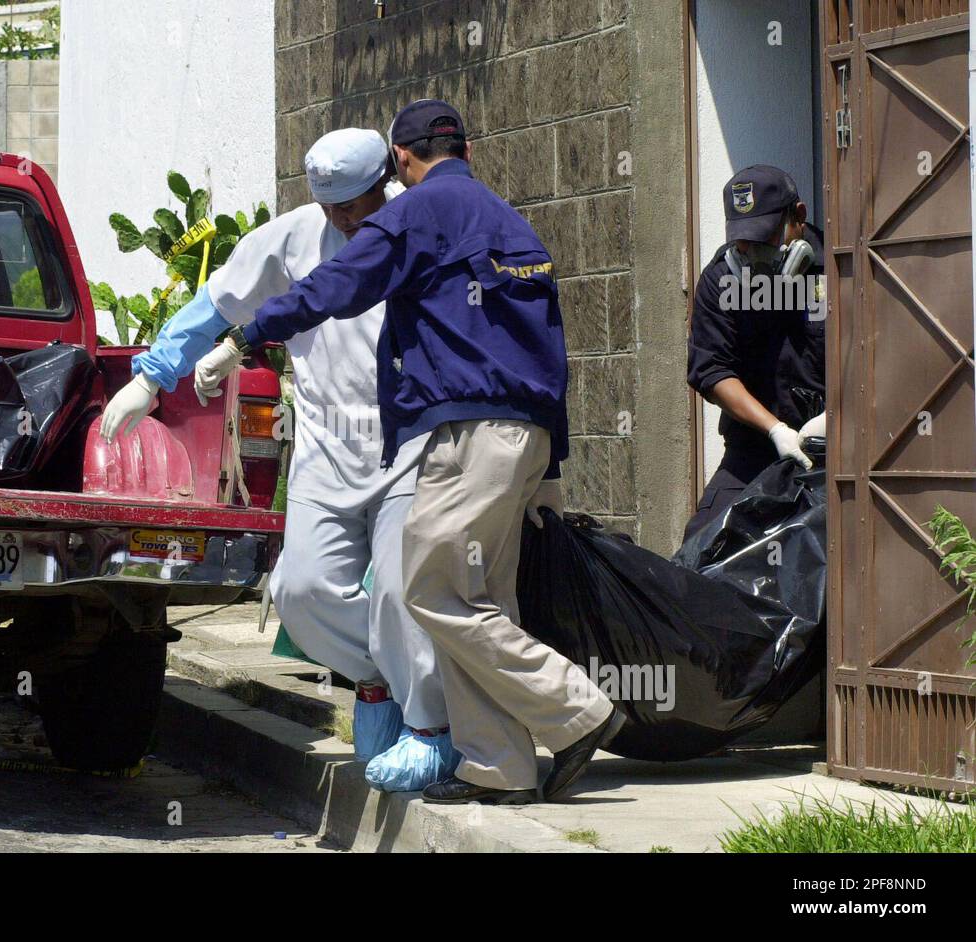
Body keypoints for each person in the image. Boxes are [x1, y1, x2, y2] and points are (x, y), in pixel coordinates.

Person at [194, 100, 622, 805]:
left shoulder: (420, 210)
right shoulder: (511, 222)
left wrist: (245, 337)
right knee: (482, 599)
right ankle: (500, 765)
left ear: (399, 161)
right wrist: (552, 466)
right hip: (524, 435)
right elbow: (551, 350)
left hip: (469, 434)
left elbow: (335, 285)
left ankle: (575, 711)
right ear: (469, 147)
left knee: (431, 590)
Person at [101, 128, 457, 793]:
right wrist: (151, 379)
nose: (346, 219)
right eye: (333, 208)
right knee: (301, 592)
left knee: (403, 593)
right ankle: (378, 679)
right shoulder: (291, 239)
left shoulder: (422, 229)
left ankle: (431, 731)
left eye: (357, 203)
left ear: (386, 181)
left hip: (410, 438)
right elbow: (214, 306)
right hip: (326, 440)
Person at [685, 165, 827, 541]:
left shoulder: (839, 272)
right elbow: (712, 371)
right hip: (755, 448)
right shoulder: (720, 279)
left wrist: (837, 419)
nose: (748, 251)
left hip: (832, 450)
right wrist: (775, 429)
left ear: (798, 218)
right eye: (741, 240)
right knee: (703, 546)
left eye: (761, 238)